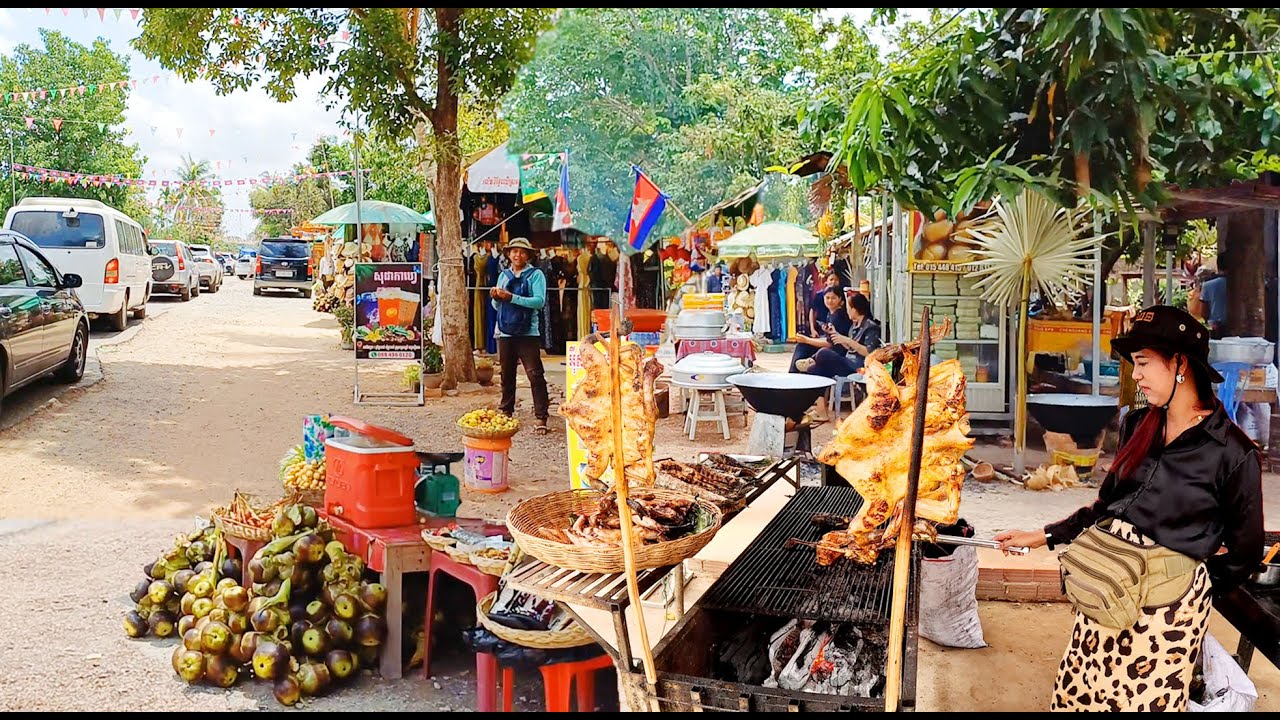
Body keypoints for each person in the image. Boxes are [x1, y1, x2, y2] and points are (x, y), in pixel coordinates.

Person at [995, 306, 1262, 712]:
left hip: (1164, 615)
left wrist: (1187, 588)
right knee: (1078, 695)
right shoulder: (1138, 425)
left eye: (1142, 363)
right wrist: (1044, 536)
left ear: (1179, 365)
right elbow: (1108, 506)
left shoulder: (1232, 452)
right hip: (1107, 592)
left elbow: (1245, 552)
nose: (1135, 375)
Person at [490, 237, 550, 434]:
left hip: (528, 332)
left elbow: (539, 301)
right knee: (506, 374)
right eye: (514, 251)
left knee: (534, 374)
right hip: (505, 331)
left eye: (522, 252)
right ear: (508, 254)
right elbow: (496, 307)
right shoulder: (504, 275)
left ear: (528, 255)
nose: (518, 255)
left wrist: (511, 297)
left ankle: (541, 416)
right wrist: (496, 298)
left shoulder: (536, 275)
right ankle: (506, 410)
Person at [797, 293, 882, 377]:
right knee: (813, 369)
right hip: (848, 360)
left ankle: (812, 359)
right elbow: (851, 348)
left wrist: (847, 340)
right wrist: (836, 334)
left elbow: (869, 352)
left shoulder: (871, 327)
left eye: (848, 308)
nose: (847, 311)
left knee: (823, 353)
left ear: (854, 309)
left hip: (856, 366)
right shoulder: (854, 325)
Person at [789, 287, 849, 372]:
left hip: (837, 351)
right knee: (802, 345)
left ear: (840, 300)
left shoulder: (840, 316)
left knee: (804, 345)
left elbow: (829, 343)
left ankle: (795, 372)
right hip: (831, 348)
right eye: (827, 298)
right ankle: (795, 371)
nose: (830, 301)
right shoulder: (830, 314)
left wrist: (807, 340)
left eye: (834, 298)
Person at [1198, 252, 1228, 339]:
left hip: (1216, 327)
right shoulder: (1242, 286)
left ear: (1218, 265)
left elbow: (1204, 312)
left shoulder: (1208, 285)